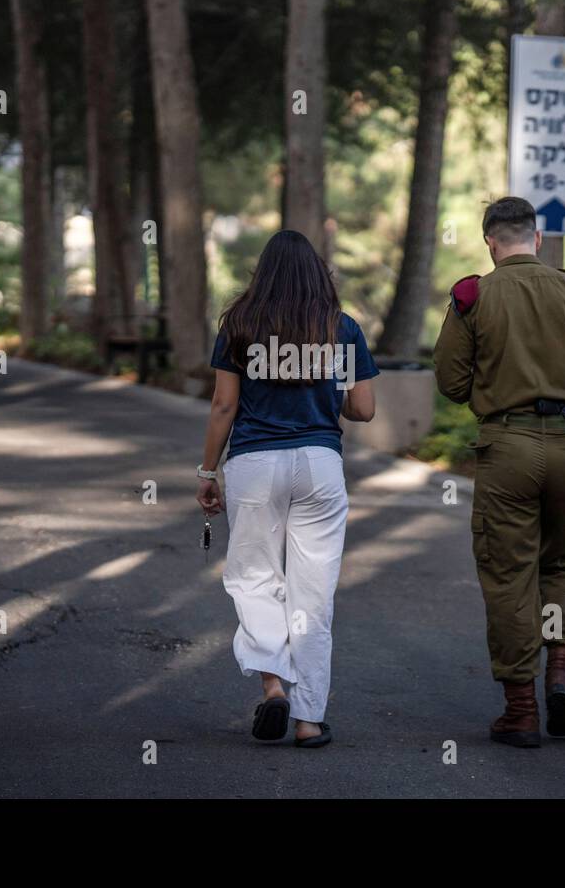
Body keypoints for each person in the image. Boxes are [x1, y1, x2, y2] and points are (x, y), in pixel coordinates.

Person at [434, 196, 565, 747]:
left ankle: (521, 712)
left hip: (508, 446)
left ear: (490, 242)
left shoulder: (475, 295)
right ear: (537, 239)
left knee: (509, 575)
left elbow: (449, 381)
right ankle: (561, 672)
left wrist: (498, 391)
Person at [195, 229, 378, 748]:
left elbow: (224, 407)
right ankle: (308, 720)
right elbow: (363, 409)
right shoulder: (341, 329)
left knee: (254, 579)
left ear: (263, 275)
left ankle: (274, 687)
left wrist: (208, 473)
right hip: (320, 464)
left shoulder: (241, 324)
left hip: (255, 463)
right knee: (312, 596)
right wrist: (324, 391)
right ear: (320, 275)